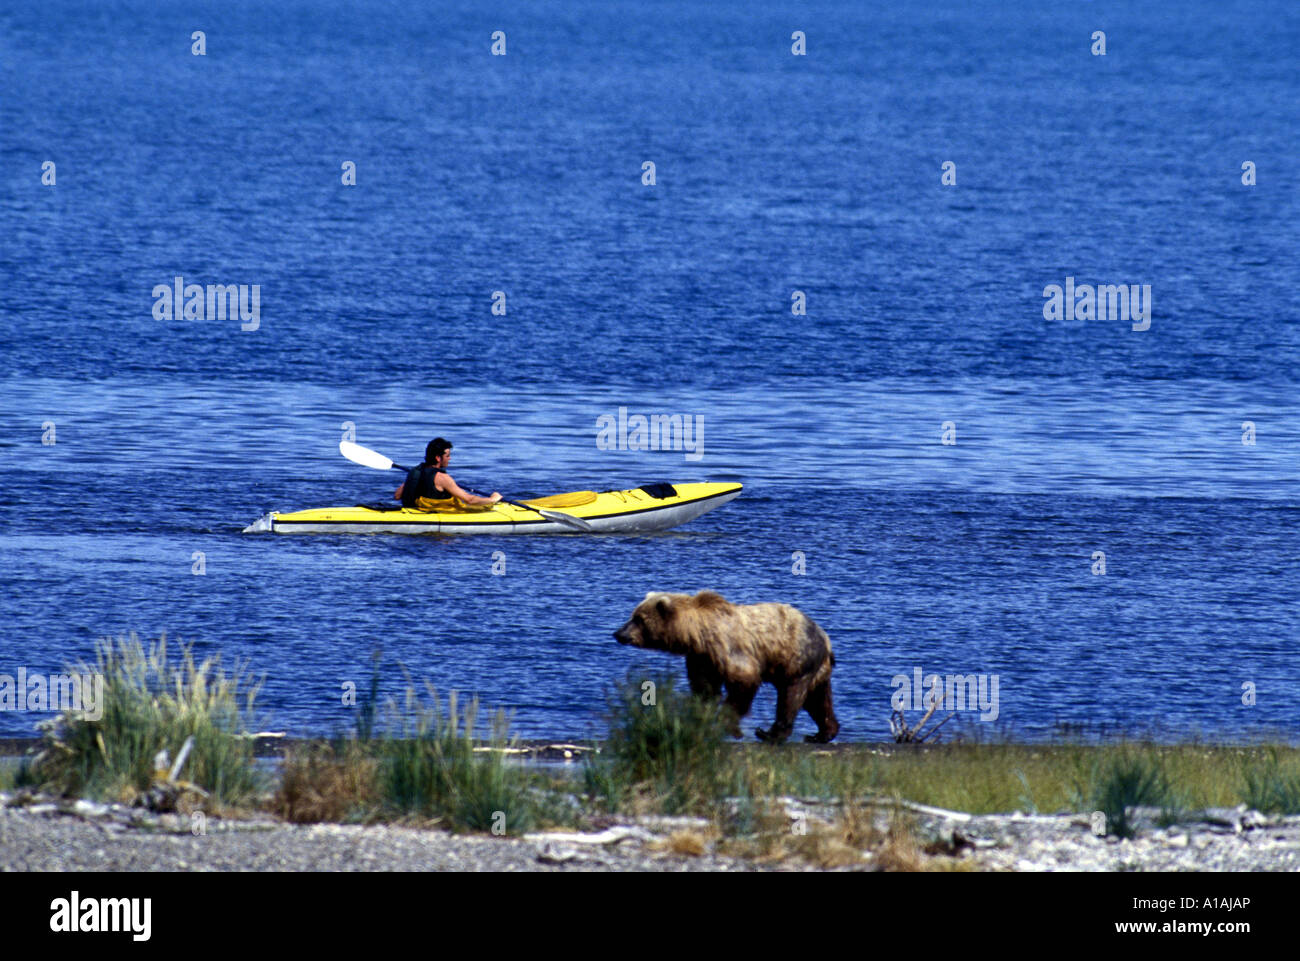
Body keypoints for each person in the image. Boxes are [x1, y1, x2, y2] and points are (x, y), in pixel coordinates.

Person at [394, 438, 501, 508]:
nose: (450, 459)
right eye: (447, 456)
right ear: (438, 458)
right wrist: (492, 499)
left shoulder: (415, 472)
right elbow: (470, 500)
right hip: (432, 516)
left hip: (413, 511)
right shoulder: (443, 478)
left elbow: (397, 496)